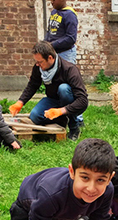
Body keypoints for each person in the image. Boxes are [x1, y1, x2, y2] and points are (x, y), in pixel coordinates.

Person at [8, 40, 87, 141]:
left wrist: (62, 111)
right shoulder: (39, 68)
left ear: (50, 58)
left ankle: (74, 127)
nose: (37, 64)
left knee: (63, 89)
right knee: (35, 116)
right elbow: (32, 85)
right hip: (53, 99)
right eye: (36, 61)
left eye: (40, 62)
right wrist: (20, 102)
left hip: (69, 100)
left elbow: (83, 101)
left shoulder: (69, 70)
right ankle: (61, 121)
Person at [44, 0, 84, 130]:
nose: (51, 2)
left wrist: (51, 46)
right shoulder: (54, 12)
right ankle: (59, 113)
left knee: (68, 86)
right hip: (54, 53)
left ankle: (78, 118)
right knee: (55, 84)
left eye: (53, 0)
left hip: (66, 54)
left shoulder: (70, 15)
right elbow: (49, 33)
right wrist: (45, 45)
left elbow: (71, 38)